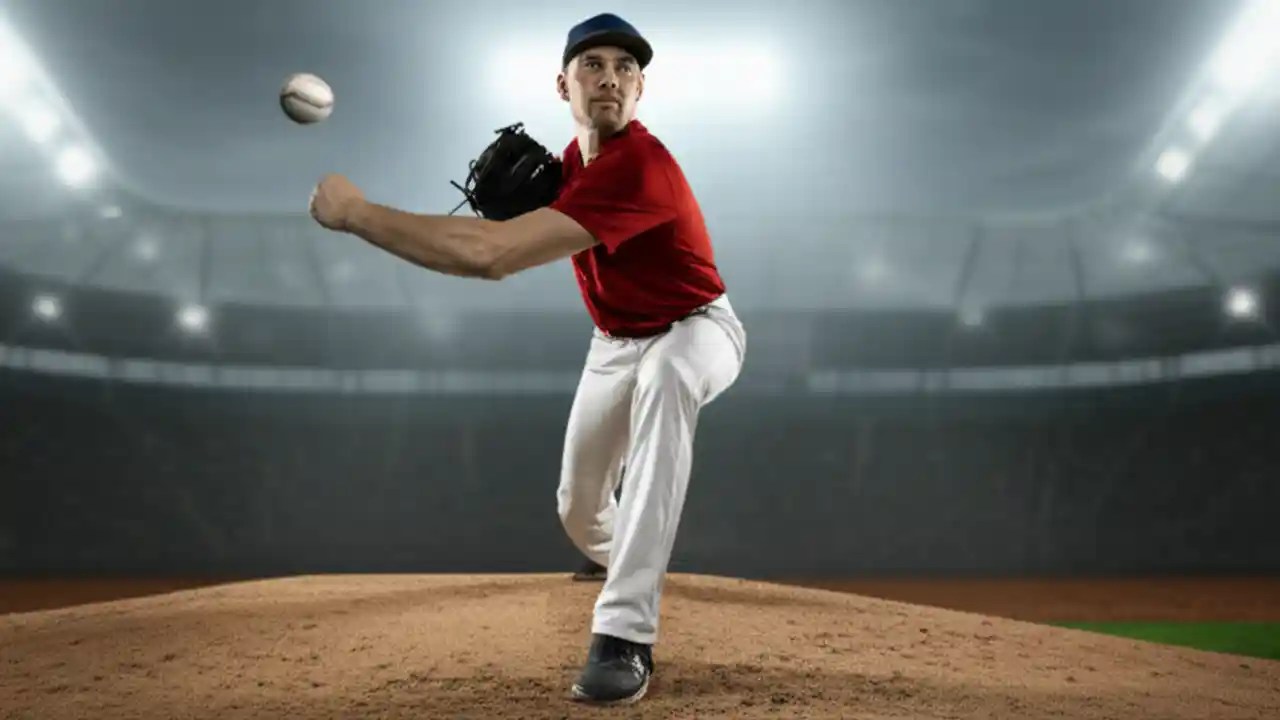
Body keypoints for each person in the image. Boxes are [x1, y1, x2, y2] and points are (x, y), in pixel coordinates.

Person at [308, 12, 746, 705]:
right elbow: (505, 234)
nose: (611, 78)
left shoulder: (642, 166)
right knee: (577, 509)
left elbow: (491, 255)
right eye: (593, 65)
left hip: (697, 330)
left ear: (641, 90)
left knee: (667, 379)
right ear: (562, 84)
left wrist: (360, 214)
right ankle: (620, 553)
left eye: (626, 68)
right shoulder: (571, 169)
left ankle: (625, 634)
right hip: (614, 343)